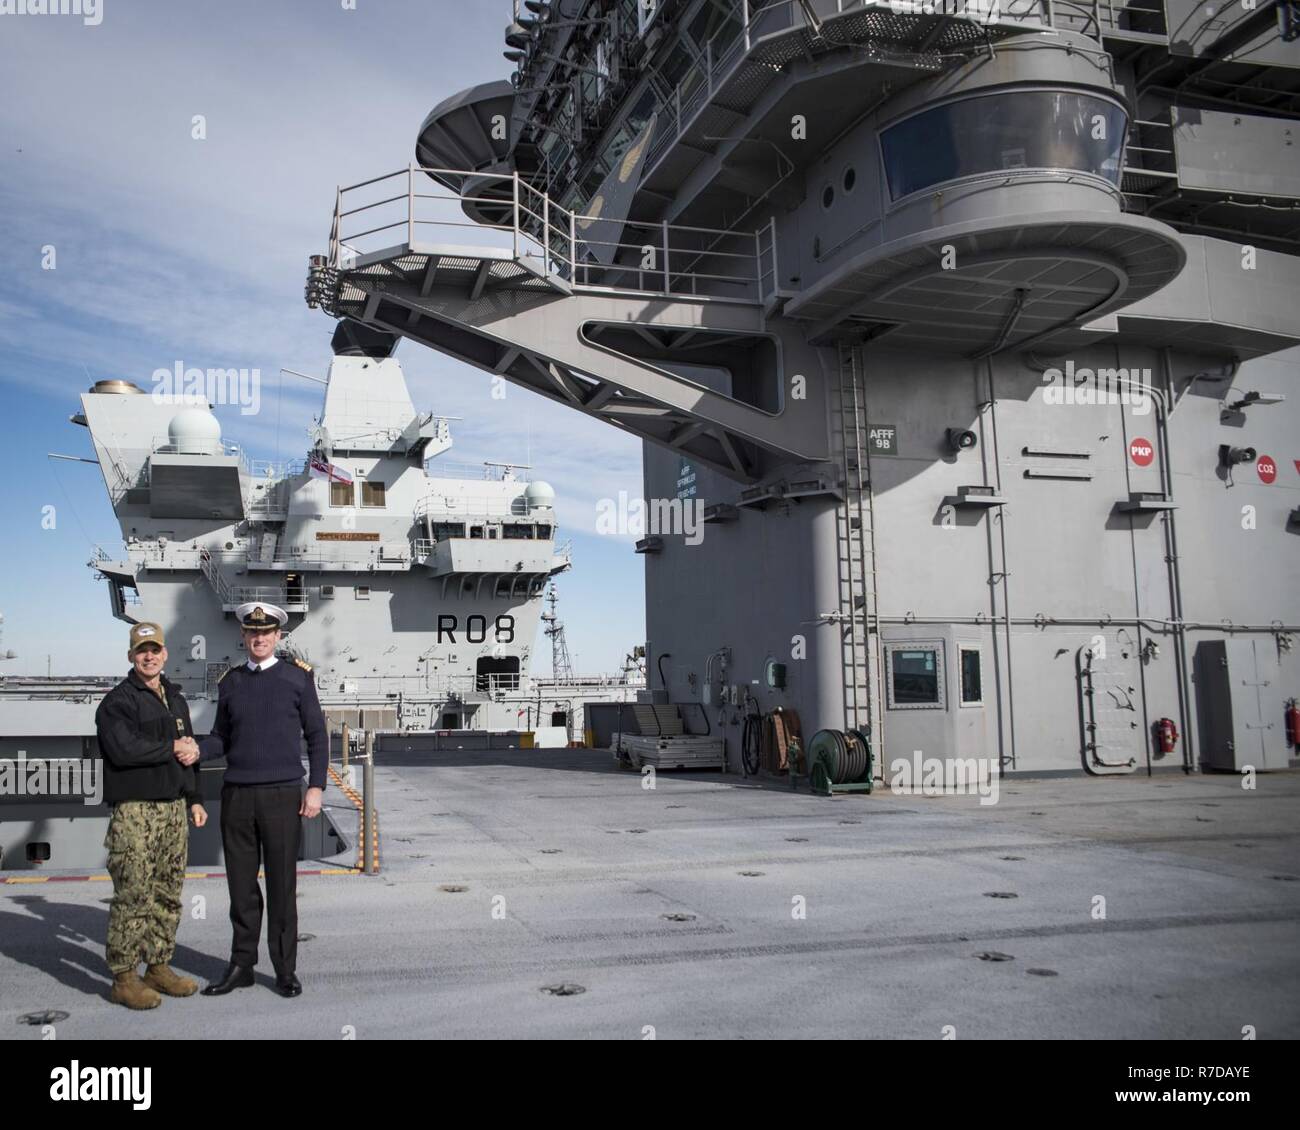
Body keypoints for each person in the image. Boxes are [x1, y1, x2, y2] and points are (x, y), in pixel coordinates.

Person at [187, 602, 326, 998]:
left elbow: (317, 735)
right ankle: (242, 965)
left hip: (283, 794)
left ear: (278, 636)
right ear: (244, 636)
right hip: (238, 795)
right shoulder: (230, 682)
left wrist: (316, 786)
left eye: (266, 632)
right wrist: (198, 749)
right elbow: (221, 738)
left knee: (282, 887)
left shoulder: (298, 679)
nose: (259, 638)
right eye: (252, 632)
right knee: (241, 888)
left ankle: (284, 970)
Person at [95, 621, 207, 1010]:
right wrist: (173, 746)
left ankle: (158, 965)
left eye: (155, 649)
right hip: (135, 810)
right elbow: (123, 749)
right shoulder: (117, 702)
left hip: (174, 808)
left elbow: (188, 749)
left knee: (168, 891)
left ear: (164, 654)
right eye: (142, 650)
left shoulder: (175, 699)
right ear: (131, 656)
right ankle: (124, 977)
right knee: (133, 892)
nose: (149, 655)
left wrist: (194, 796)